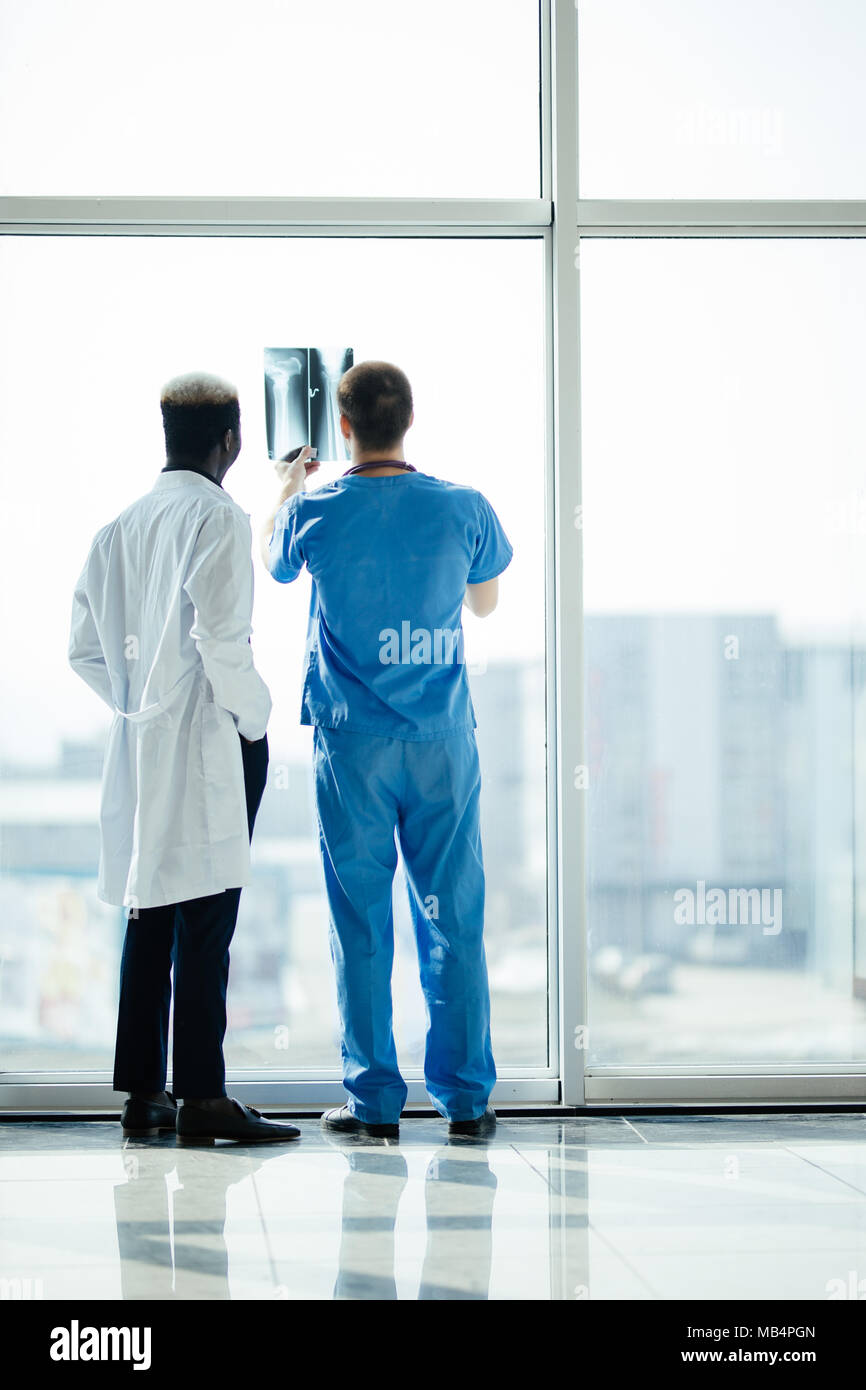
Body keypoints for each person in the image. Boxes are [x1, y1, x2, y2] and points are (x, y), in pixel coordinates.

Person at [261, 360, 512, 1139]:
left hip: (353, 748)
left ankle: (373, 1104)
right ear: (409, 420)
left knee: (360, 921)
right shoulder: (463, 507)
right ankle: (465, 1101)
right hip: (440, 743)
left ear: (342, 429)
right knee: (454, 918)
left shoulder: (316, 510)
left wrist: (285, 486)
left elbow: (273, 563)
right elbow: (486, 601)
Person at [69, 372, 300, 1145]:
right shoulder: (219, 519)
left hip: (143, 744)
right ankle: (203, 1098)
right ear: (230, 442)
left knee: (151, 911)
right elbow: (219, 639)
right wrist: (253, 721)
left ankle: (144, 1098)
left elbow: (83, 650)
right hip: (212, 741)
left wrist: (140, 704)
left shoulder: (119, 528)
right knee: (208, 922)